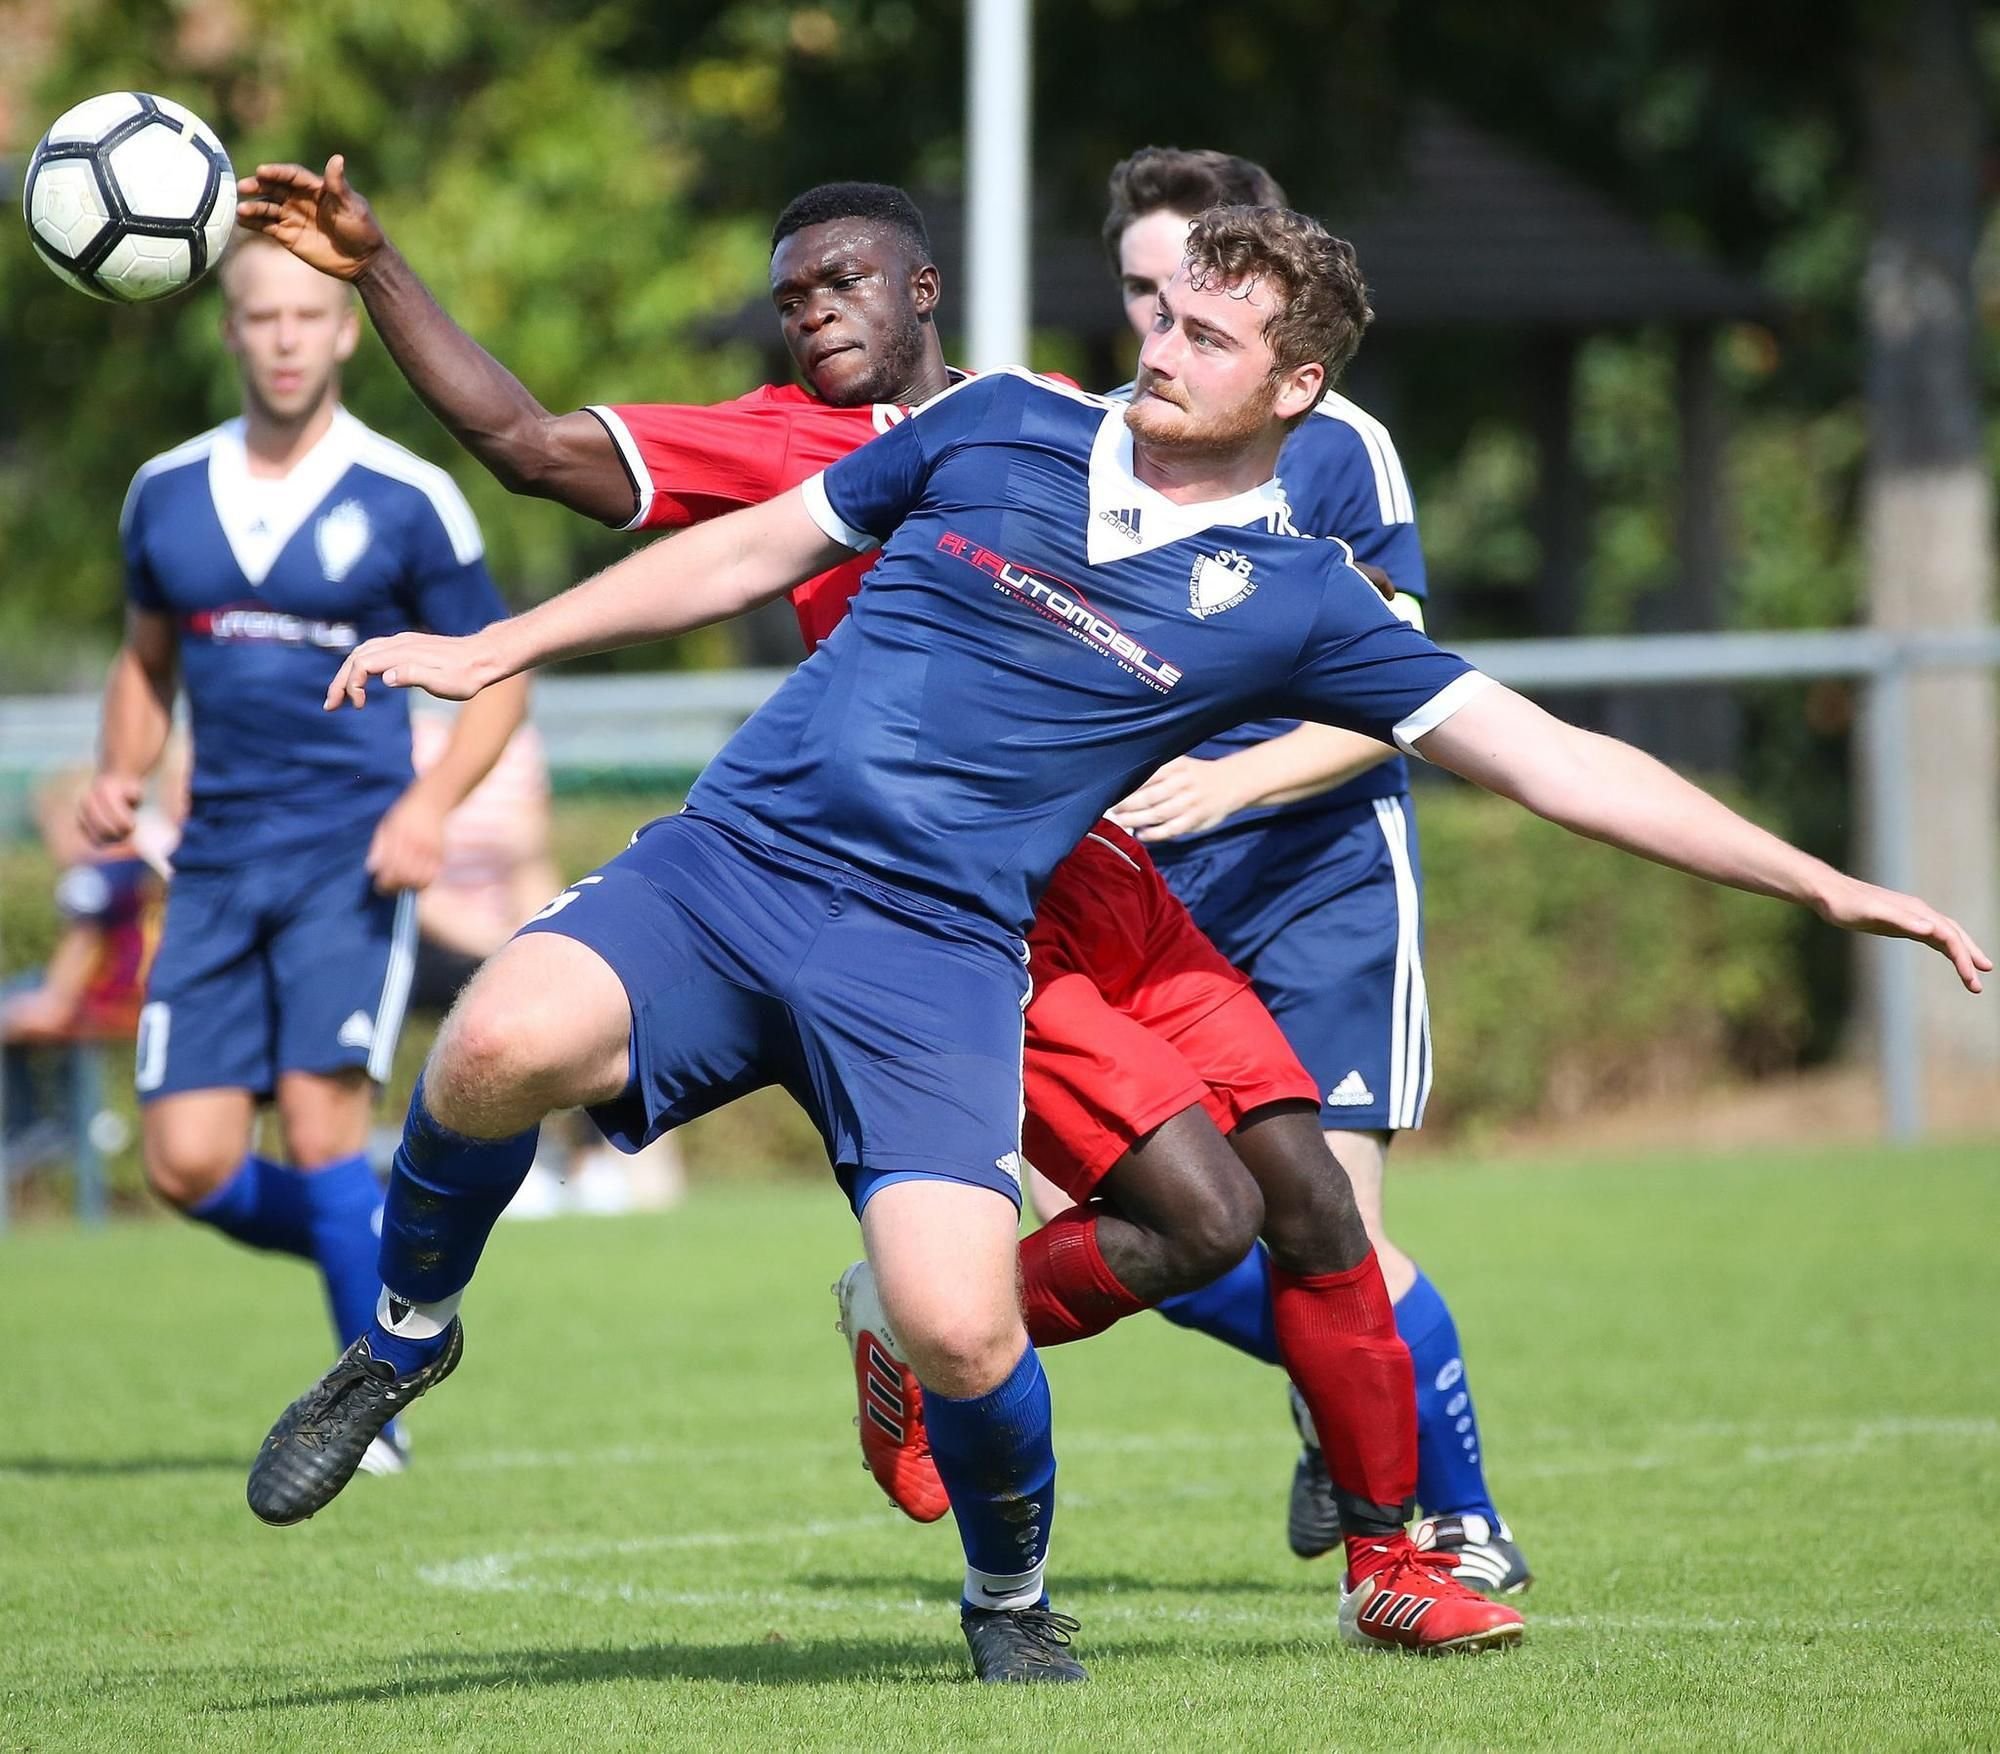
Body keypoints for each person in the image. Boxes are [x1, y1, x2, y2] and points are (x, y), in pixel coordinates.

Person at [242, 196, 1985, 1685]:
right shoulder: (998, 419)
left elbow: (1554, 757)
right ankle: (405, 1332)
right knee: (487, 1046)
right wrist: (497, 648)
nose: (1166, 346)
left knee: (965, 1326)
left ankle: (1014, 1591)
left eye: (1216, 335)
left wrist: (1830, 882)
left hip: (935, 950)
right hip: (740, 860)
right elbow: (761, 543)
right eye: (1165, 314)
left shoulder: (1301, 595)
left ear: (1298, 386)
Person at [1099, 146, 1529, 1589]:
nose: (1160, 325)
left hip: (1320, 879)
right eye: (1139, 296)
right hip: (1161, 900)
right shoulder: (1094, 447)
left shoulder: (1339, 442)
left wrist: (1232, 778)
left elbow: (1407, 680)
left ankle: (1458, 1521)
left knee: (1333, 1227)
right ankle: (1329, 1376)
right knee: (1115, 1230)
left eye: (1190, 296)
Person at [81, 230, 527, 1474]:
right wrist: (122, 773)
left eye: (305, 318)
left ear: (343, 334)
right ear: (230, 329)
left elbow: (496, 681)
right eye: (260, 317)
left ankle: (360, 1411)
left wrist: (430, 800)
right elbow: (143, 662)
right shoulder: (164, 491)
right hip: (212, 862)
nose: (283, 338)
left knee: (328, 1123)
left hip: (350, 858)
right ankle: (391, 1254)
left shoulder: (405, 495)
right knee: (186, 1162)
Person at [3, 774, 165, 1159]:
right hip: (142, 991)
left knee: (12, 1013)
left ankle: (36, 1123)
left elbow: (82, 945)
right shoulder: (139, 864)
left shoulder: (96, 876)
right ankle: (62, 1120)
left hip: (112, 997)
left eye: (51, 828)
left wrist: (53, 1000)